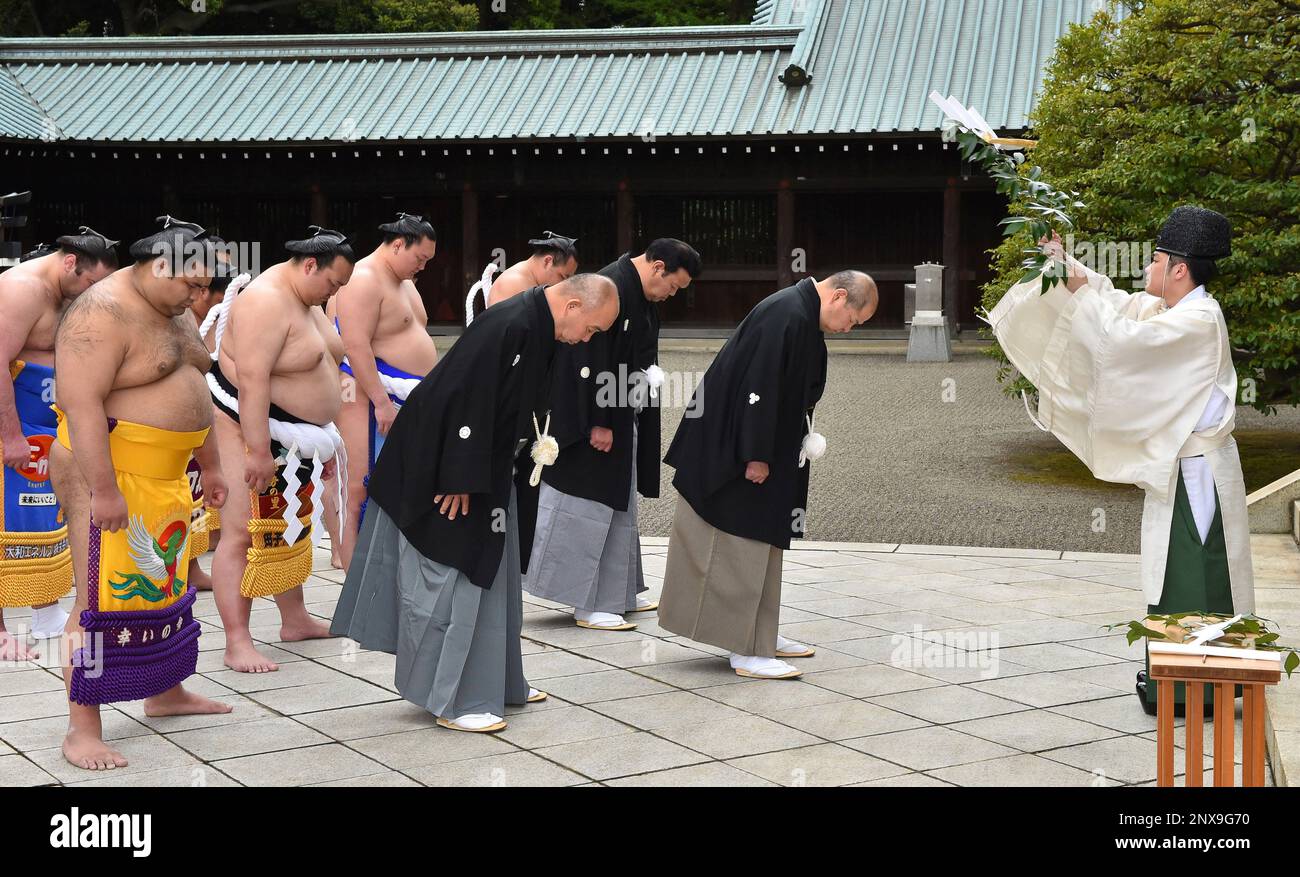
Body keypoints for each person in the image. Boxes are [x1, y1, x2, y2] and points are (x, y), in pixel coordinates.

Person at [988, 208, 1252, 716]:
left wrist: (1076, 289)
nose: (1146, 270)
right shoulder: (1176, 312)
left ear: (1179, 268)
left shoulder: (1198, 320)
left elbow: (1118, 342)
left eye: (1154, 260)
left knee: (1192, 573)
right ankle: (1175, 682)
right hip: (1186, 470)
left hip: (1199, 478)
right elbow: (1119, 306)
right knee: (1176, 573)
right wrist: (1064, 266)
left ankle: (1196, 689)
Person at [331, 275, 618, 733]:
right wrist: (458, 477)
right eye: (593, 328)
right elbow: (464, 398)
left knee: (495, 571)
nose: (589, 339)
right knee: (456, 574)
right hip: (445, 466)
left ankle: (498, 681)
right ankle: (450, 697)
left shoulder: (538, 327)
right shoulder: (511, 324)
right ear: (573, 306)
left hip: (486, 464)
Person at [50, 216, 231, 770]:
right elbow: (79, 404)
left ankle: (165, 692)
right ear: (157, 266)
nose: (200, 297)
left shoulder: (172, 309)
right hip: (106, 473)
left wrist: (212, 464)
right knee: (99, 600)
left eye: (206, 287)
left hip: (168, 477)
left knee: (166, 588)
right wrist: (103, 491)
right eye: (191, 285)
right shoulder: (99, 314)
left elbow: (198, 381)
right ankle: (82, 727)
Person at [659, 271, 878, 679]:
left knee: (766, 542)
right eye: (854, 320)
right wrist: (755, 454)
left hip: (765, 447)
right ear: (840, 296)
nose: (850, 329)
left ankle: (761, 633)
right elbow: (755, 390)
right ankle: (744, 648)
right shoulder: (787, 314)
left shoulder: (800, 314)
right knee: (740, 542)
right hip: (738, 451)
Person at [526, 239, 701, 630]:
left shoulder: (638, 292)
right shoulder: (610, 287)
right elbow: (583, 356)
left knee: (618, 502)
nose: (671, 294)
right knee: (589, 503)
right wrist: (598, 421)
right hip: (593, 418)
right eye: (673, 285)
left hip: (623, 410)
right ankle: (585, 602)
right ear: (658, 267)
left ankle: (615, 593)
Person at [207, 227, 352, 673]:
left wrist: (324, 440)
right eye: (332, 283)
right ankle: (236, 642)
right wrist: (256, 450)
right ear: (311, 265)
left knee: (289, 523)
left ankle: (295, 619)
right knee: (242, 531)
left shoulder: (305, 301)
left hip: (297, 432)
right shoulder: (265, 301)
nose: (334, 292)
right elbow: (253, 382)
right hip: (243, 426)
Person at [0, 227, 117, 661]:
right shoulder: (23, 289)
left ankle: (46, 609)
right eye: (90, 282)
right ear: (70, 262)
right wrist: (10, 435)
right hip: (14, 418)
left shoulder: (65, 291)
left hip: (47, 419)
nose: (94, 292)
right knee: (3, 522)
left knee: (44, 515)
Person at [326, 213, 439, 570]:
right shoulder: (362, 279)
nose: (422, 267)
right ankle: (353, 575)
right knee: (358, 485)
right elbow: (355, 345)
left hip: (403, 395)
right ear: (396, 244)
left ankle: (385, 566)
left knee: (398, 484)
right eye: (419, 258)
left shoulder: (404, 281)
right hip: (364, 392)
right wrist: (380, 402)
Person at [484, 231, 579, 307]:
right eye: (562, 277)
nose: (564, 284)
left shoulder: (528, 280)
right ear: (547, 261)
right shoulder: (515, 282)